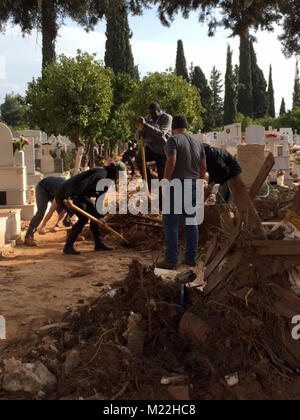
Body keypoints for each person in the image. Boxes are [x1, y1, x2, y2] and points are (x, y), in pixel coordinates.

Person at [156, 115, 207, 270]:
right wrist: (199, 181)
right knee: (191, 222)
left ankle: (171, 260)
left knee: (170, 223)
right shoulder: (198, 143)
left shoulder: (173, 140)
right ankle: (191, 258)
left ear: (173, 128)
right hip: (192, 185)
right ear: (186, 127)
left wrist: (165, 181)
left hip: (176, 185)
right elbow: (203, 166)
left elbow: (171, 161)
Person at [55, 162, 126, 255]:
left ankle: (99, 244)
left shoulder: (108, 180)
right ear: (116, 171)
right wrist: (71, 197)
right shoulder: (101, 174)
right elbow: (82, 183)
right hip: (70, 192)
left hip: (82, 195)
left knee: (96, 217)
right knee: (83, 218)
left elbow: (100, 199)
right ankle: (68, 247)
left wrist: (100, 216)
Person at [25, 177, 71, 246]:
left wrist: (57, 225)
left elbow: (64, 211)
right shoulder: (62, 192)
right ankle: (28, 236)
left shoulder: (72, 193)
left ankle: (71, 234)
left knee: (64, 210)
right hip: (42, 188)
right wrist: (43, 226)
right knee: (41, 212)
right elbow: (51, 211)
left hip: (53, 189)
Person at [136, 102, 172, 190]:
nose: (151, 116)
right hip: (151, 149)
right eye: (150, 113)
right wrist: (140, 134)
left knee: (162, 178)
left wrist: (146, 125)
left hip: (163, 151)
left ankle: (162, 199)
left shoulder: (167, 118)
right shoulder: (147, 118)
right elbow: (136, 136)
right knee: (138, 158)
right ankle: (149, 181)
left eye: (153, 113)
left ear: (159, 111)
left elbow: (161, 133)